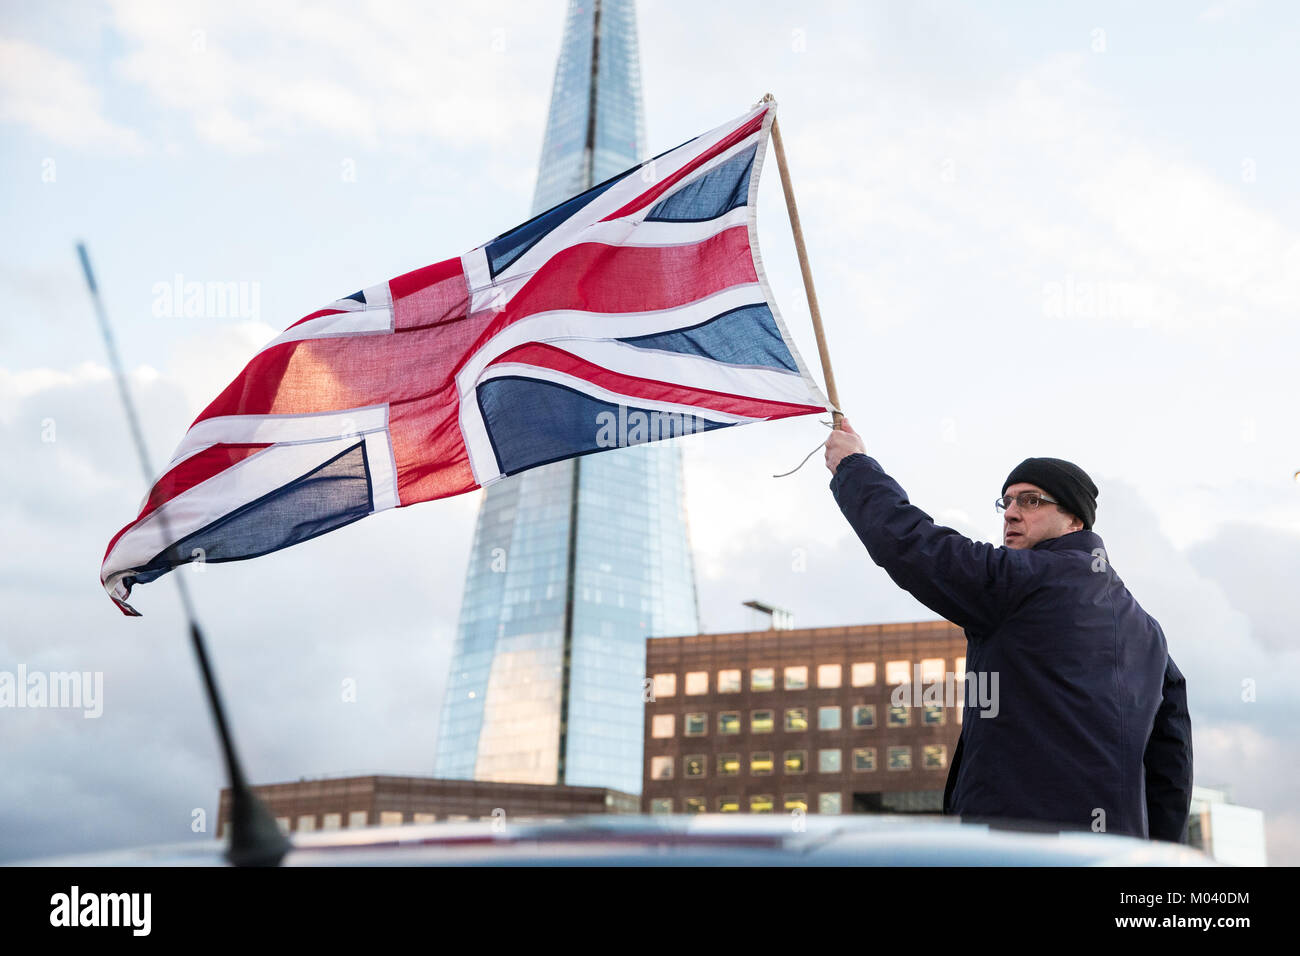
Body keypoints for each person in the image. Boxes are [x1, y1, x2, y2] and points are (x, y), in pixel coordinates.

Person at [824, 419, 1193, 841]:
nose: (1012, 513)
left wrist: (854, 467)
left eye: (1032, 501)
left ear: (1075, 520)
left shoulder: (1023, 580)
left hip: (1018, 844)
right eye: (1006, 502)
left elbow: (916, 545)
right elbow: (1172, 764)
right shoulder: (1150, 633)